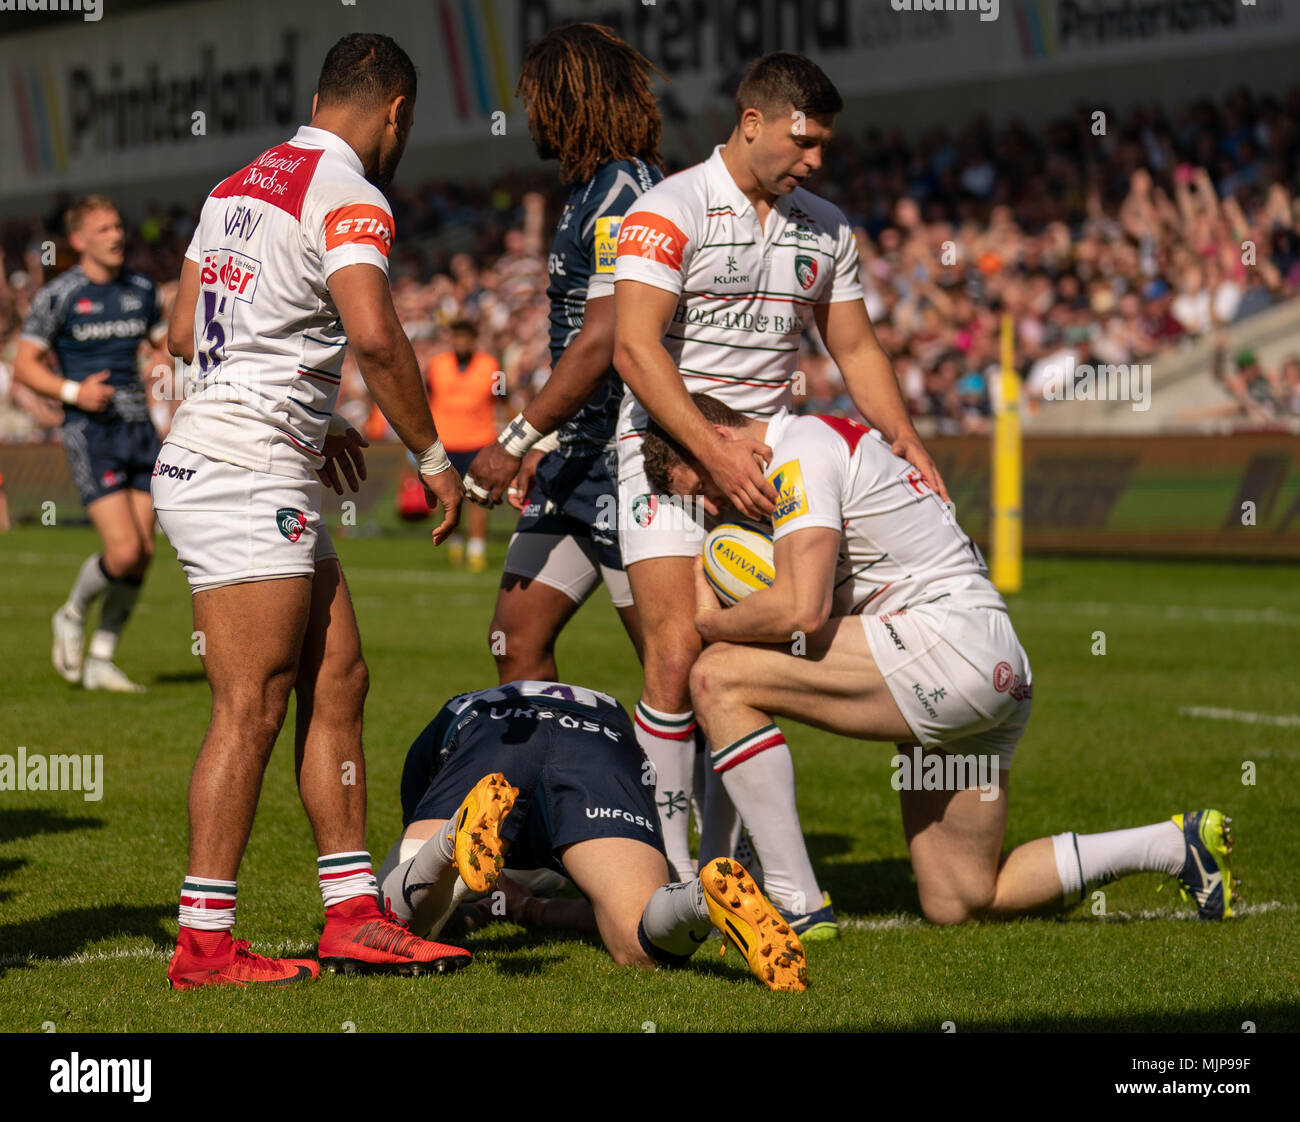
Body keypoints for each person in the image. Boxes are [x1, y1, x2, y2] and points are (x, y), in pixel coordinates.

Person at [644, 393, 1238, 933]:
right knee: (961, 898)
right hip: (993, 663)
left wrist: (709, 623)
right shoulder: (826, 438)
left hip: (944, 648)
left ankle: (796, 902)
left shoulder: (796, 454)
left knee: (714, 674)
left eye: (704, 486)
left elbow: (802, 612)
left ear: (718, 437)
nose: (715, 503)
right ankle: (1173, 846)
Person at [155, 33, 467, 989]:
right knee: (250, 705)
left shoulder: (236, 183)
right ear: (396, 112)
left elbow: (181, 333)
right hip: (245, 467)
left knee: (340, 677)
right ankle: (204, 944)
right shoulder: (349, 190)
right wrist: (430, 454)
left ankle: (350, 915)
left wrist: (310, 407)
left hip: (242, 450)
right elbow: (374, 334)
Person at [611, 52, 947, 885]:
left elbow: (857, 345)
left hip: (767, 462)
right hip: (666, 457)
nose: (816, 161)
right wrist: (709, 449)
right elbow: (633, 347)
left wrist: (906, 437)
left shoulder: (827, 225)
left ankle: (728, 868)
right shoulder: (667, 210)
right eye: (804, 142)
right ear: (751, 122)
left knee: (748, 663)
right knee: (673, 654)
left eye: (826, 145)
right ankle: (671, 868)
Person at [375, 679, 808, 992]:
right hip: (600, 738)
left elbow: (414, 840)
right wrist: (531, 911)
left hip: (492, 731)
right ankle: (699, 900)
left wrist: (499, 910)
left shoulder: (447, 722)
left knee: (391, 925)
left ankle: (454, 836)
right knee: (634, 940)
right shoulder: (542, 882)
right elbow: (582, 912)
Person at [462, 22, 664, 682]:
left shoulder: (623, 192)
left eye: (536, 104)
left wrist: (516, 440)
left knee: (672, 668)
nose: (529, 121)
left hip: (623, 461)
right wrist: (548, 443)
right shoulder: (587, 191)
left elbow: (604, 337)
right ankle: (547, 784)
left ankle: (687, 792)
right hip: (571, 460)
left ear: (570, 105)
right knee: (513, 642)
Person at [15, 196, 165, 692]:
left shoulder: (142, 289)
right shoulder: (59, 296)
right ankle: (71, 612)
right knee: (122, 552)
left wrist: (162, 366)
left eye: (119, 225)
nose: (117, 235)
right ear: (78, 240)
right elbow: (26, 365)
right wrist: (75, 392)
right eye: (103, 229)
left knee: (144, 552)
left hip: (140, 429)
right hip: (91, 432)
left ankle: (101, 658)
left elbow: (164, 345)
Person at [425, 319, 500, 570]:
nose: (461, 343)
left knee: (478, 497)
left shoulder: (491, 366)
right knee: (447, 495)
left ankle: (476, 549)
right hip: (444, 441)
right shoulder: (437, 365)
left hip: (480, 440)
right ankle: (453, 542)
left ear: (474, 340)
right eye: (457, 337)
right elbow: (426, 397)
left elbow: (504, 398)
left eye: (466, 338)